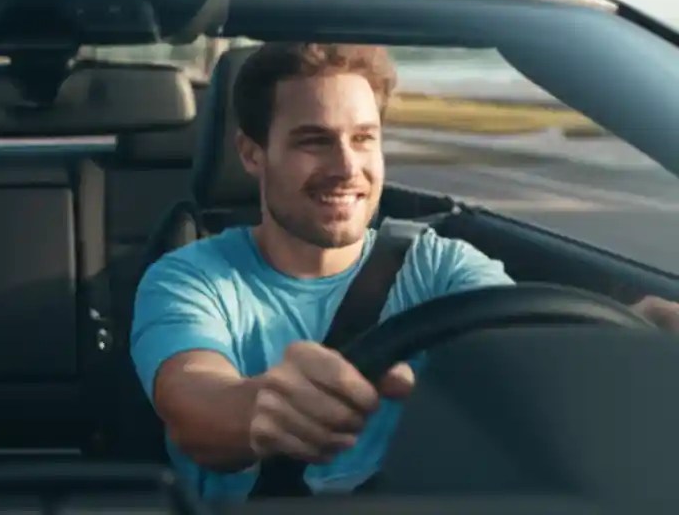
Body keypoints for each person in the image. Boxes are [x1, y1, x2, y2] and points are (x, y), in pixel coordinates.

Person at [130, 42, 679, 500]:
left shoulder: (440, 265)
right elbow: (193, 401)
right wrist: (262, 408)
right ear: (252, 155)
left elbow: (535, 359)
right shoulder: (191, 277)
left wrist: (628, 335)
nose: (347, 167)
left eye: (364, 138)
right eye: (314, 141)